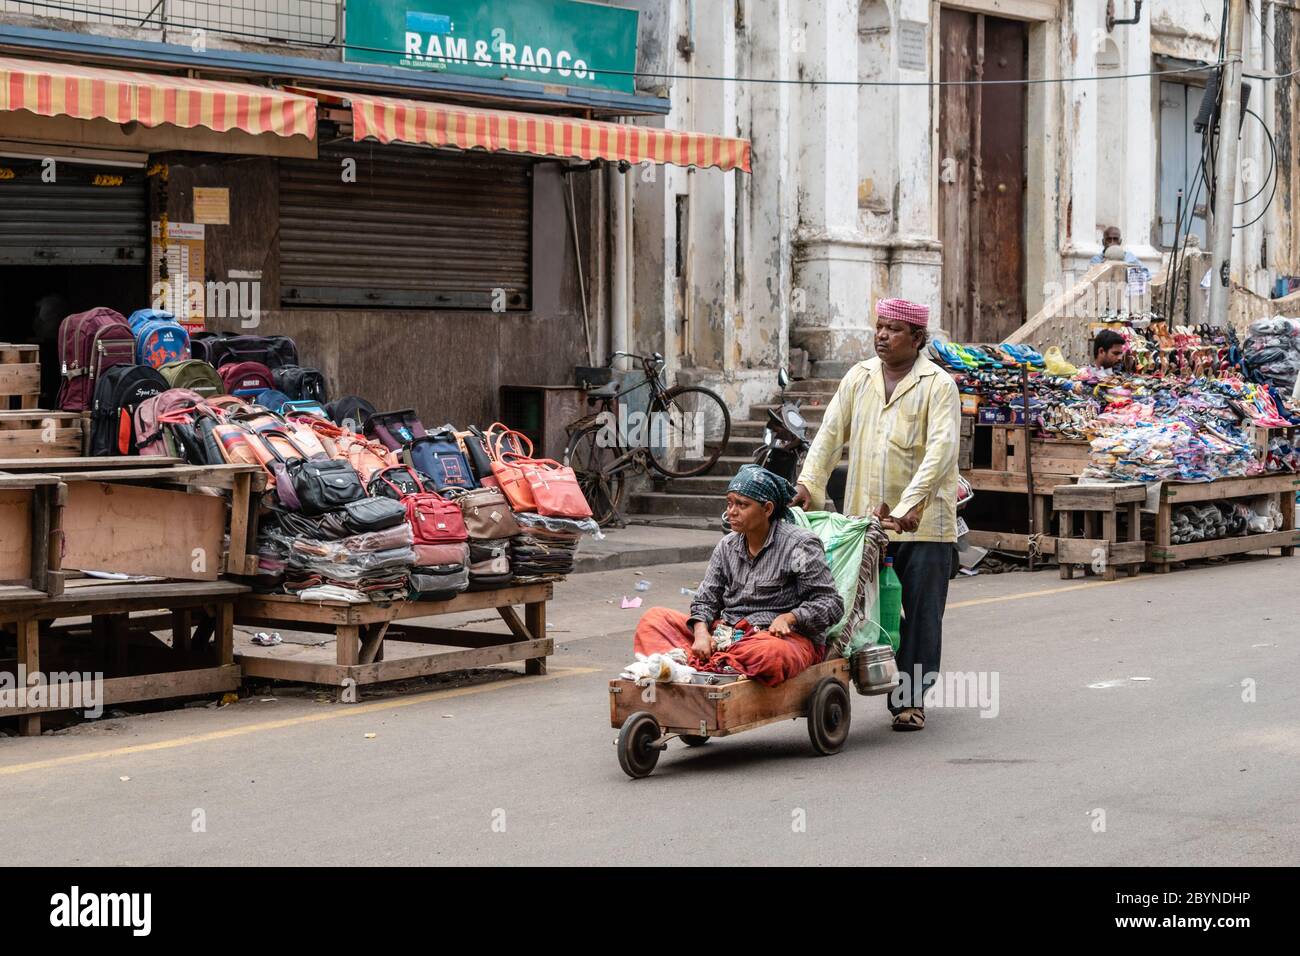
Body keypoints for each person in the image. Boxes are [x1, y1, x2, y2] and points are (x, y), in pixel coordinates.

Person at [792, 298, 960, 732]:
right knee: (862, 610)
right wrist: (808, 486)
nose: (882, 335)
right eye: (880, 326)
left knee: (922, 613)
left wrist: (907, 507)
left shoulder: (938, 385)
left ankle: (910, 699)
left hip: (923, 525)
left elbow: (941, 452)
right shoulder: (859, 377)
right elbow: (829, 436)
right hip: (865, 524)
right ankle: (851, 681)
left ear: (918, 339)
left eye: (894, 329)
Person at [633, 465, 844, 687]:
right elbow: (706, 599)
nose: (731, 511)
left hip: (777, 639)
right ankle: (711, 662)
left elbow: (830, 603)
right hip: (726, 634)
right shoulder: (727, 546)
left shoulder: (799, 546)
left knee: (770, 653)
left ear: (767, 509)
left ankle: (693, 663)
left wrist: (790, 618)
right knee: (653, 619)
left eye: (742, 505)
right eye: (729, 502)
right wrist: (701, 633)